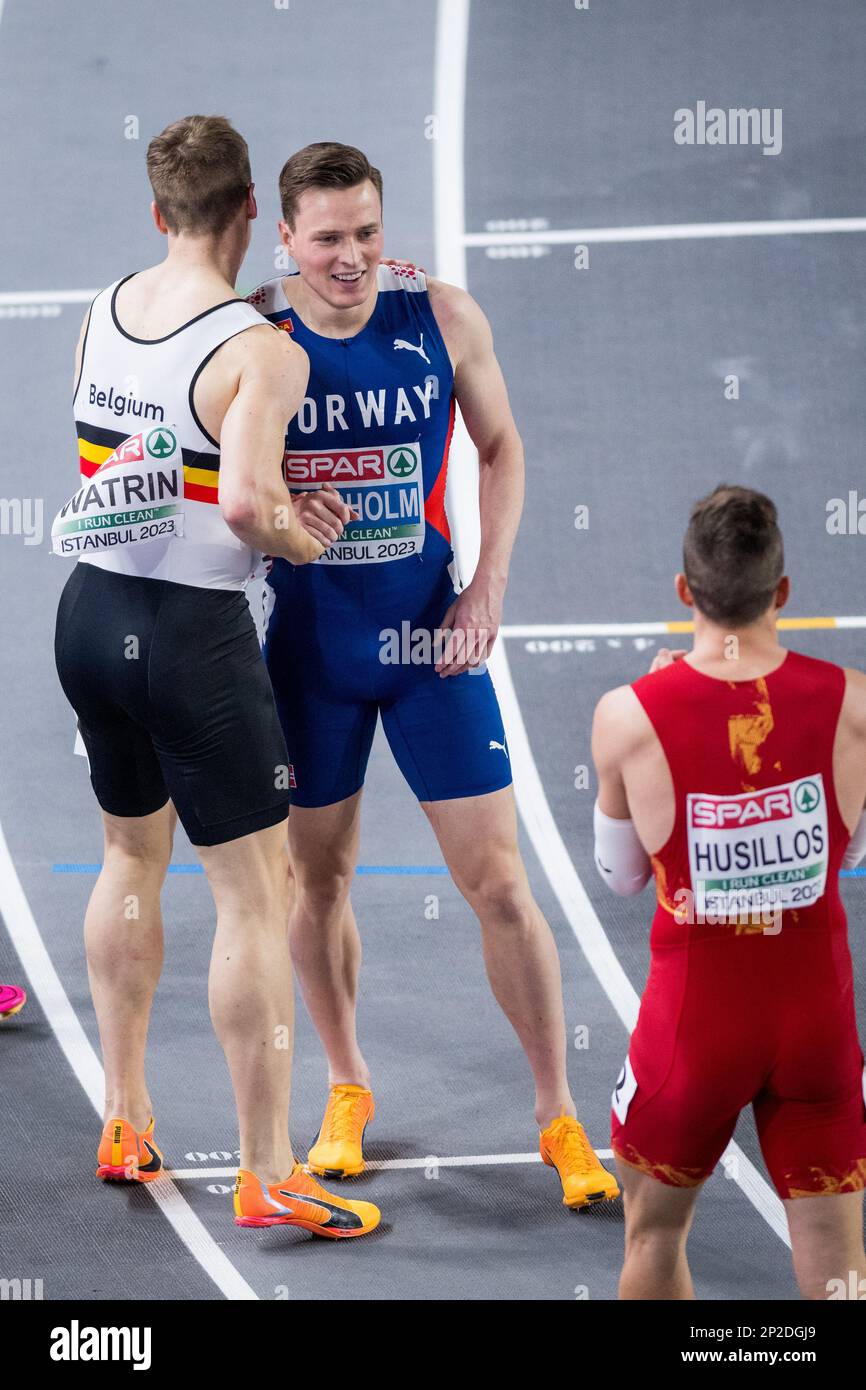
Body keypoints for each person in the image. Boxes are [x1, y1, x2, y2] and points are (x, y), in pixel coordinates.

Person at [247, 142, 618, 1208]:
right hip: (309, 658)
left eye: (367, 231)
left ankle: (557, 1113)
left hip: (426, 644)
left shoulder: (442, 318)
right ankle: (346, 1085)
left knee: (498, 882)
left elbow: (500, 449)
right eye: (328, 238)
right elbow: (209, 486)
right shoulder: (253, 340)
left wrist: (489, 584)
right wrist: (275, 517)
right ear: (286, 239)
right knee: (312, 884)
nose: (353, 256)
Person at [53, 115, 379, 1237]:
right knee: (255, 895)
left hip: (91, 617)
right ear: (253, 209)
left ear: (156, 214)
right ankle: (264, 1169)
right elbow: (244, 502)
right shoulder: (262, 352)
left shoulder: (104, 306)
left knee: (127, 856)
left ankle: (125, 1113)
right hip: (192, 637)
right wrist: (297, 535)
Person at [591, 484, 866, 1298]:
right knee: (839, 1260)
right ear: (783, 592)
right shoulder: (854, 703)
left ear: (685, 591)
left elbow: (621, 876)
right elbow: (847, 851)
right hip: (816, 1012)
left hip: (696, 1022)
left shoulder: (630, 716)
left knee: (653, 1235)